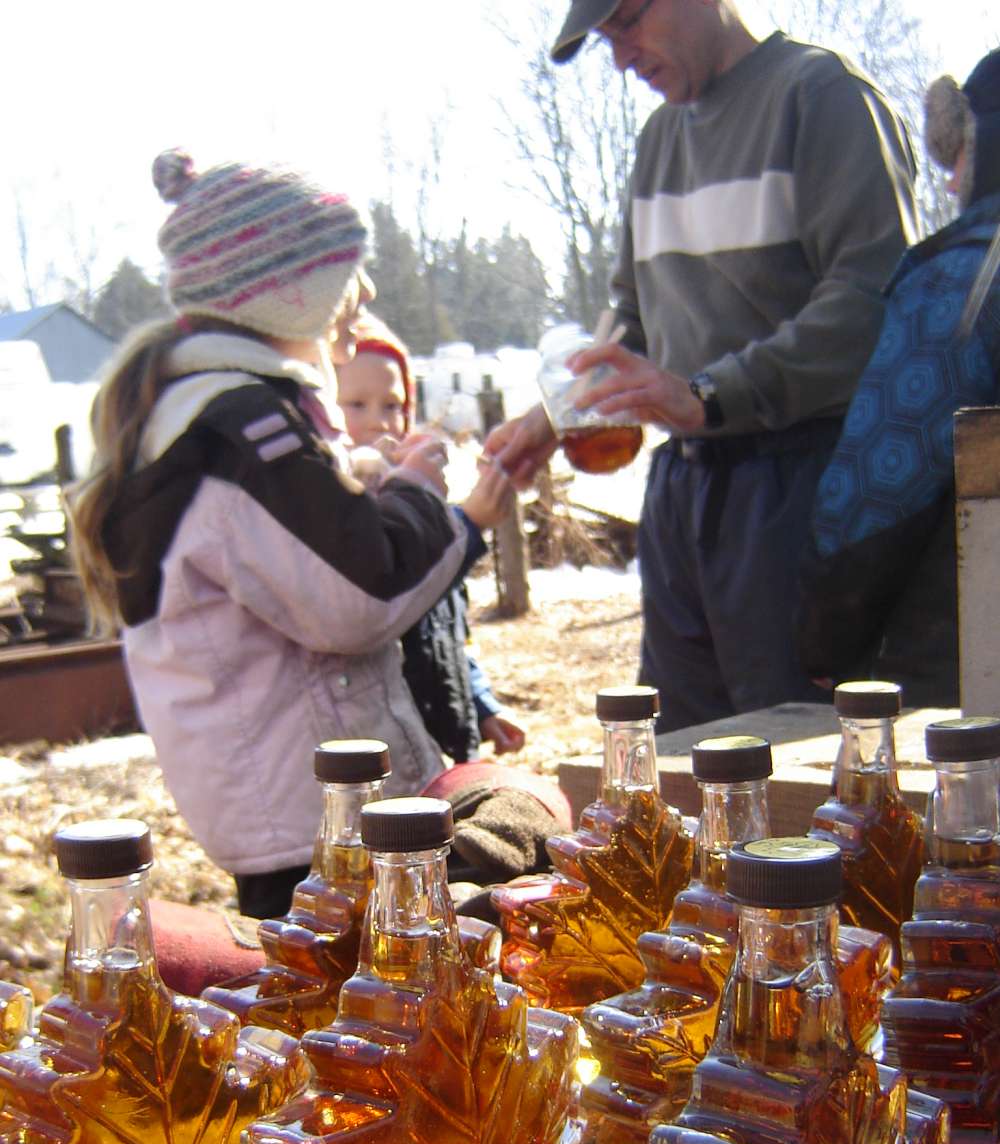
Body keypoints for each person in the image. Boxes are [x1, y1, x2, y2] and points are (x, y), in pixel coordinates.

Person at [69, 150, 513, 919]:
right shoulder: (242, 431)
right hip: (313, 828)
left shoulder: (210, 418)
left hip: (288, 813)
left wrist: (367, 477)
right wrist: (442, 505)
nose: (365, 293)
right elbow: (354, 595)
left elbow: (291, 543)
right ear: (287, 292)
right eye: (349, 271)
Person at [484, 0, 918, 732]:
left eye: (624, 21)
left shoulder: (821, 96)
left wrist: (711, 394)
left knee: (796, 756)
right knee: (684, 751)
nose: (621, 57)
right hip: (684, 491)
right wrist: (556, 413)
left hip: (802, 482)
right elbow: (631, 318)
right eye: (604, 41)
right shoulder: (658, 140)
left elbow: (872, 296)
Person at [797, 50, 1000, 707]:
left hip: (965, 680)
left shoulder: (966, 280)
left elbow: (879, 492)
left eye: (959, 157)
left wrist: (825, 637)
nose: (949, 185)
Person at [336, 315, 526, 761]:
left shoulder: (422, 501)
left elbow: (447, 622)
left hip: (446, 736)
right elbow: (395, 597)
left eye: (393, 405)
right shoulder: (339, 513)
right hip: (390, 745)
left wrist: (480, 704)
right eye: (356, 405)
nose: (378, 422)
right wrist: (472, 525)